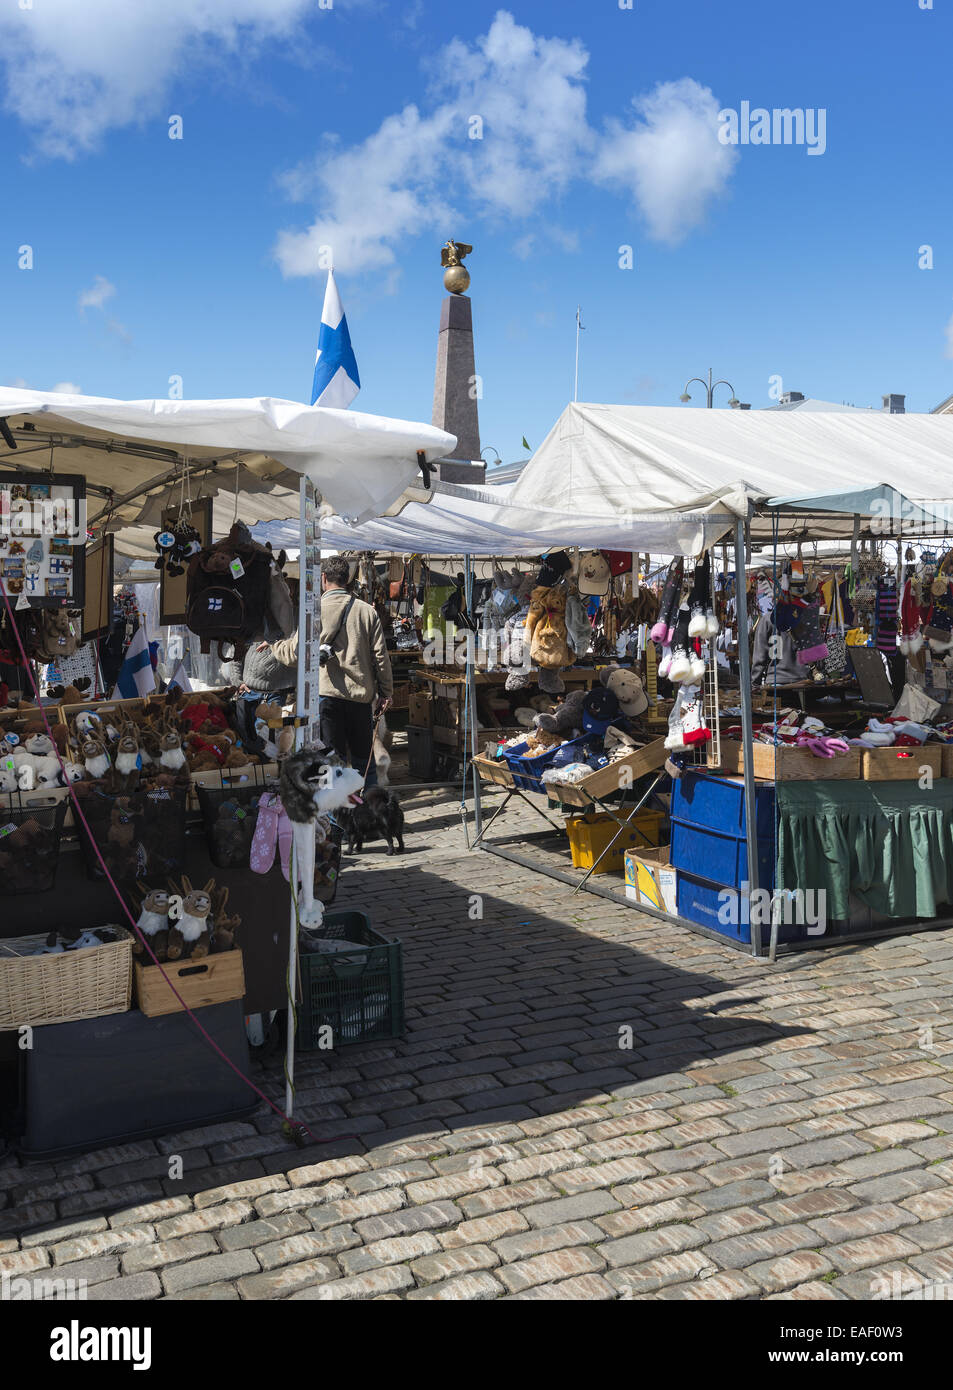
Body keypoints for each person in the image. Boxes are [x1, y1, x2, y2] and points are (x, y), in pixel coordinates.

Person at [316, 555, 392, 786]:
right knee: (363, 764)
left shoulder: (314, 609)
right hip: (360, 698)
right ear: (348, 579)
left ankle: (334, 819)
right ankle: (365, 814)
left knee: (329, 764)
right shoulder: (366, 611)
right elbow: (380, 656)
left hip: (327, 696)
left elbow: (296, 651)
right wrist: (386, 692)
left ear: (323, 578)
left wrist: (274, 646)